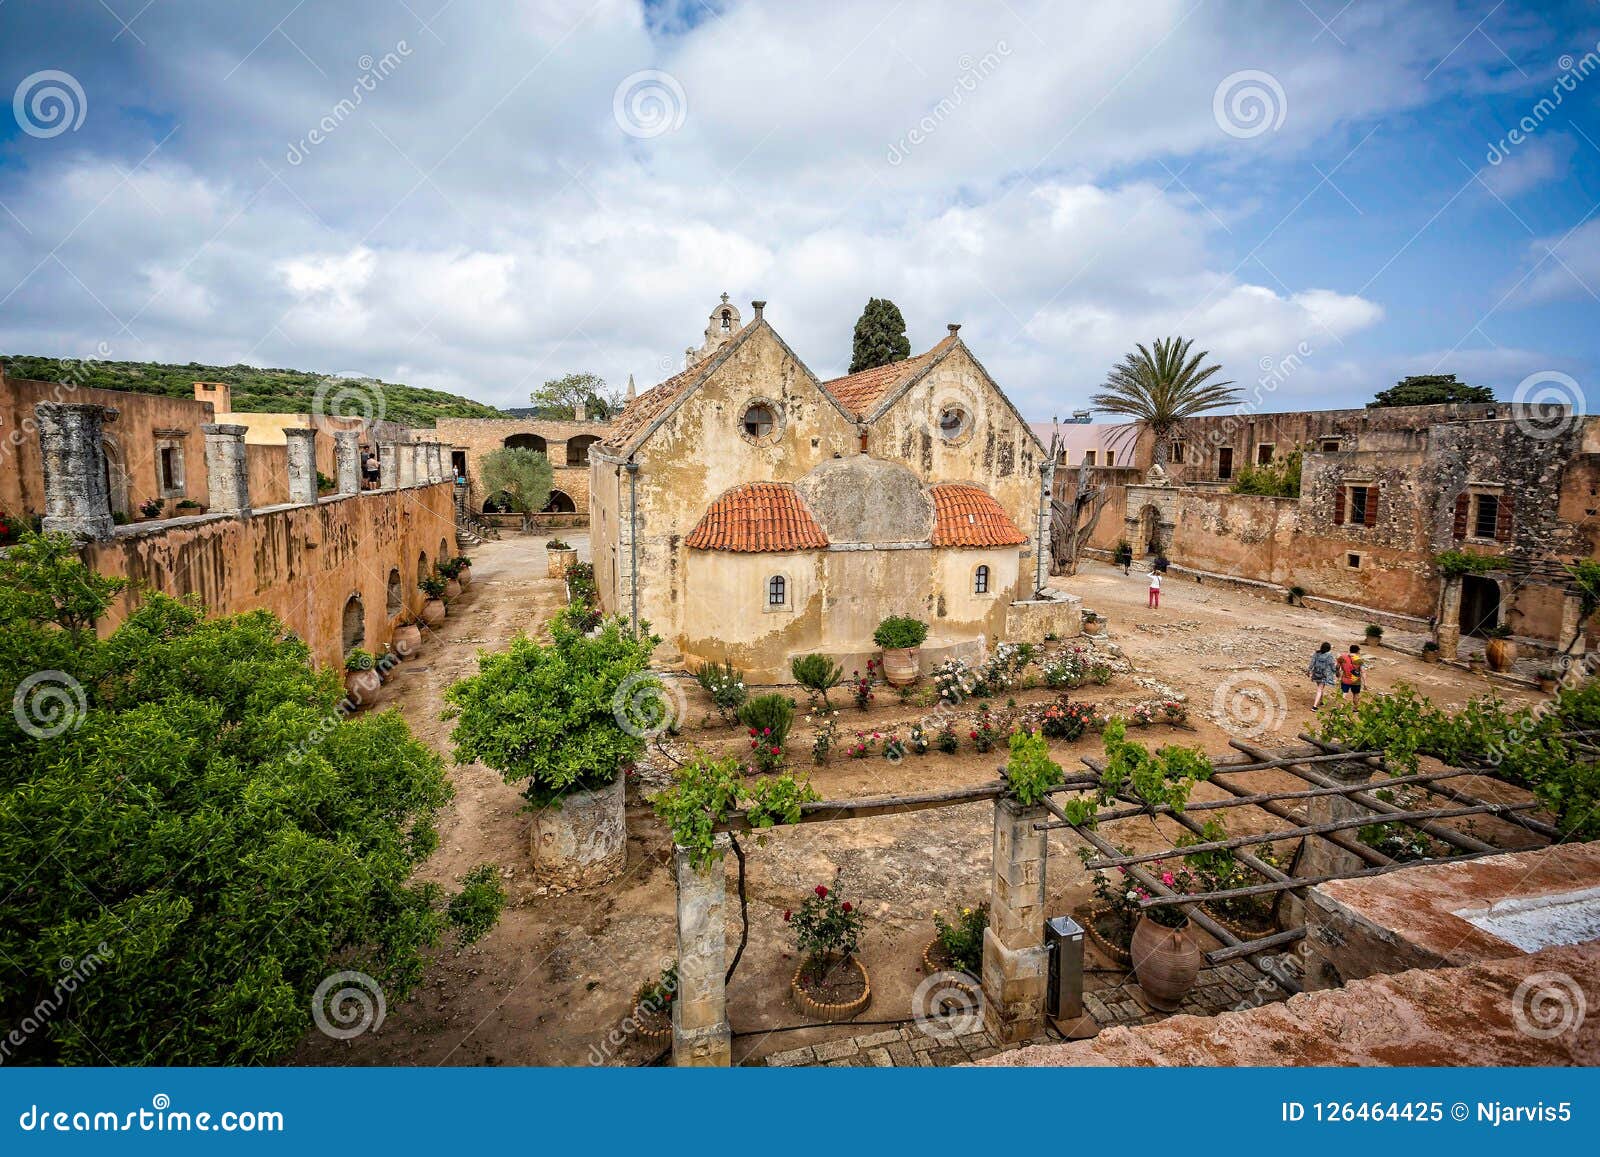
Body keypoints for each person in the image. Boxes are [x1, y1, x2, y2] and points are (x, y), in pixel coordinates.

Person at [1308, 641, 1338, 709]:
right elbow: (1332, 665)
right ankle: (1314, 706)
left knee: (1320, 688)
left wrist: (1309, 670)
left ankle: (1321, 701)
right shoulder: (1329, 656)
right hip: (1324, 675)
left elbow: (1312, 663)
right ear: (1329, 648)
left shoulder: (1317, 653)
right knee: (1320, 689)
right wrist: (1336, 671)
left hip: (1316, 673)